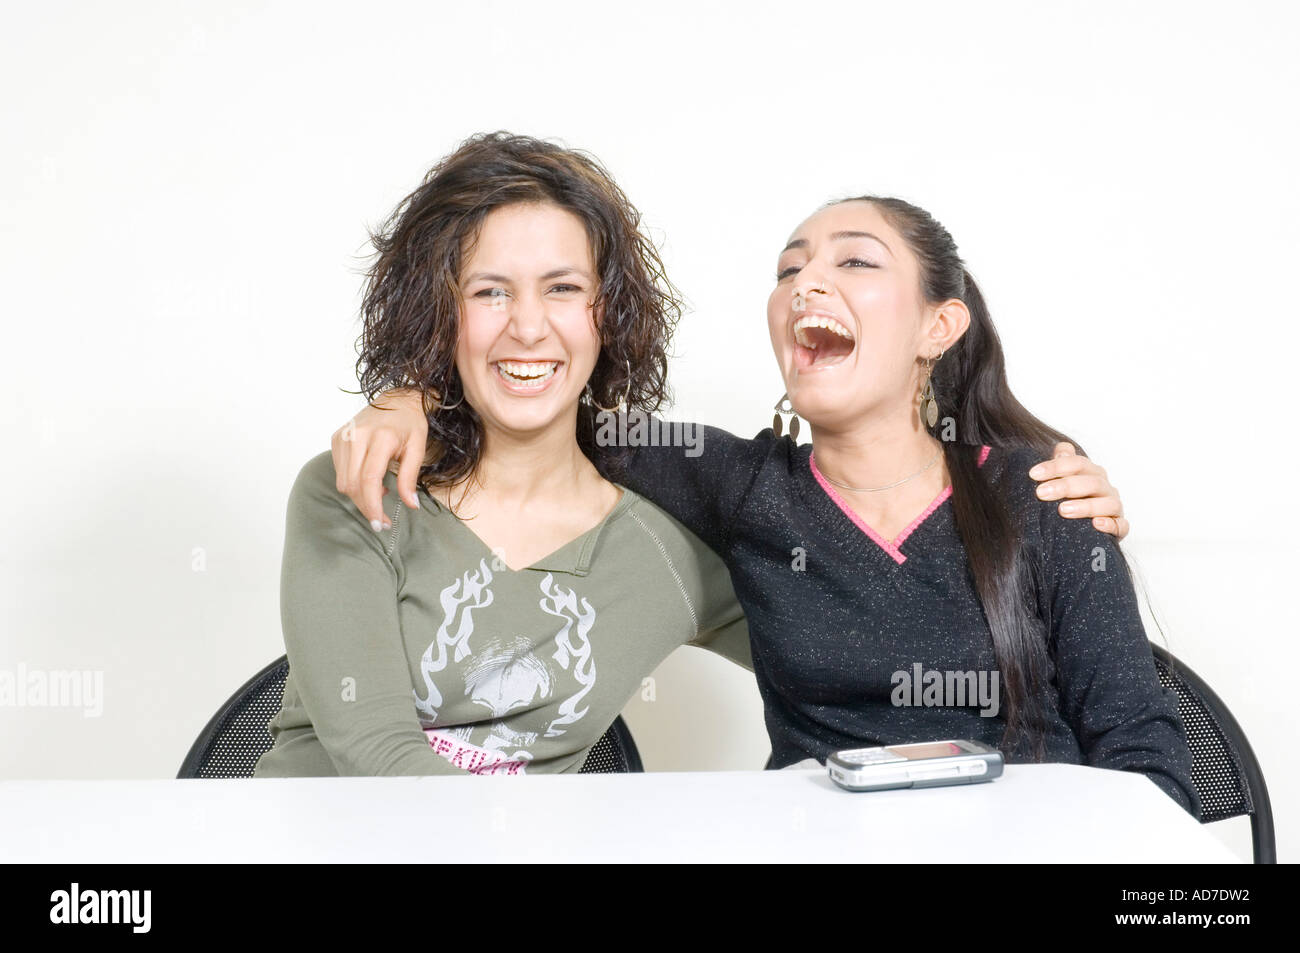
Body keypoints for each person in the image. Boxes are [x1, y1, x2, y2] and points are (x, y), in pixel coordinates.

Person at [337, 184, 1199, 815]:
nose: (805, 285)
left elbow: (1149, 765)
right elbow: (544, 403)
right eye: (789, 270)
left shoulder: (1041, 494)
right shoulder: (745, 488)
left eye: (854, 261)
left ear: (939, 326)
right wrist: (415, 390)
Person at [253, 132, 753, 778]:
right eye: (490, 291)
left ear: (609, 313)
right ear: (440, 312)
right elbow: (380, 759)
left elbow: (844, 666)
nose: (527, 326)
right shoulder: (358, 488)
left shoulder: (666, 553)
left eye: (563, 288)